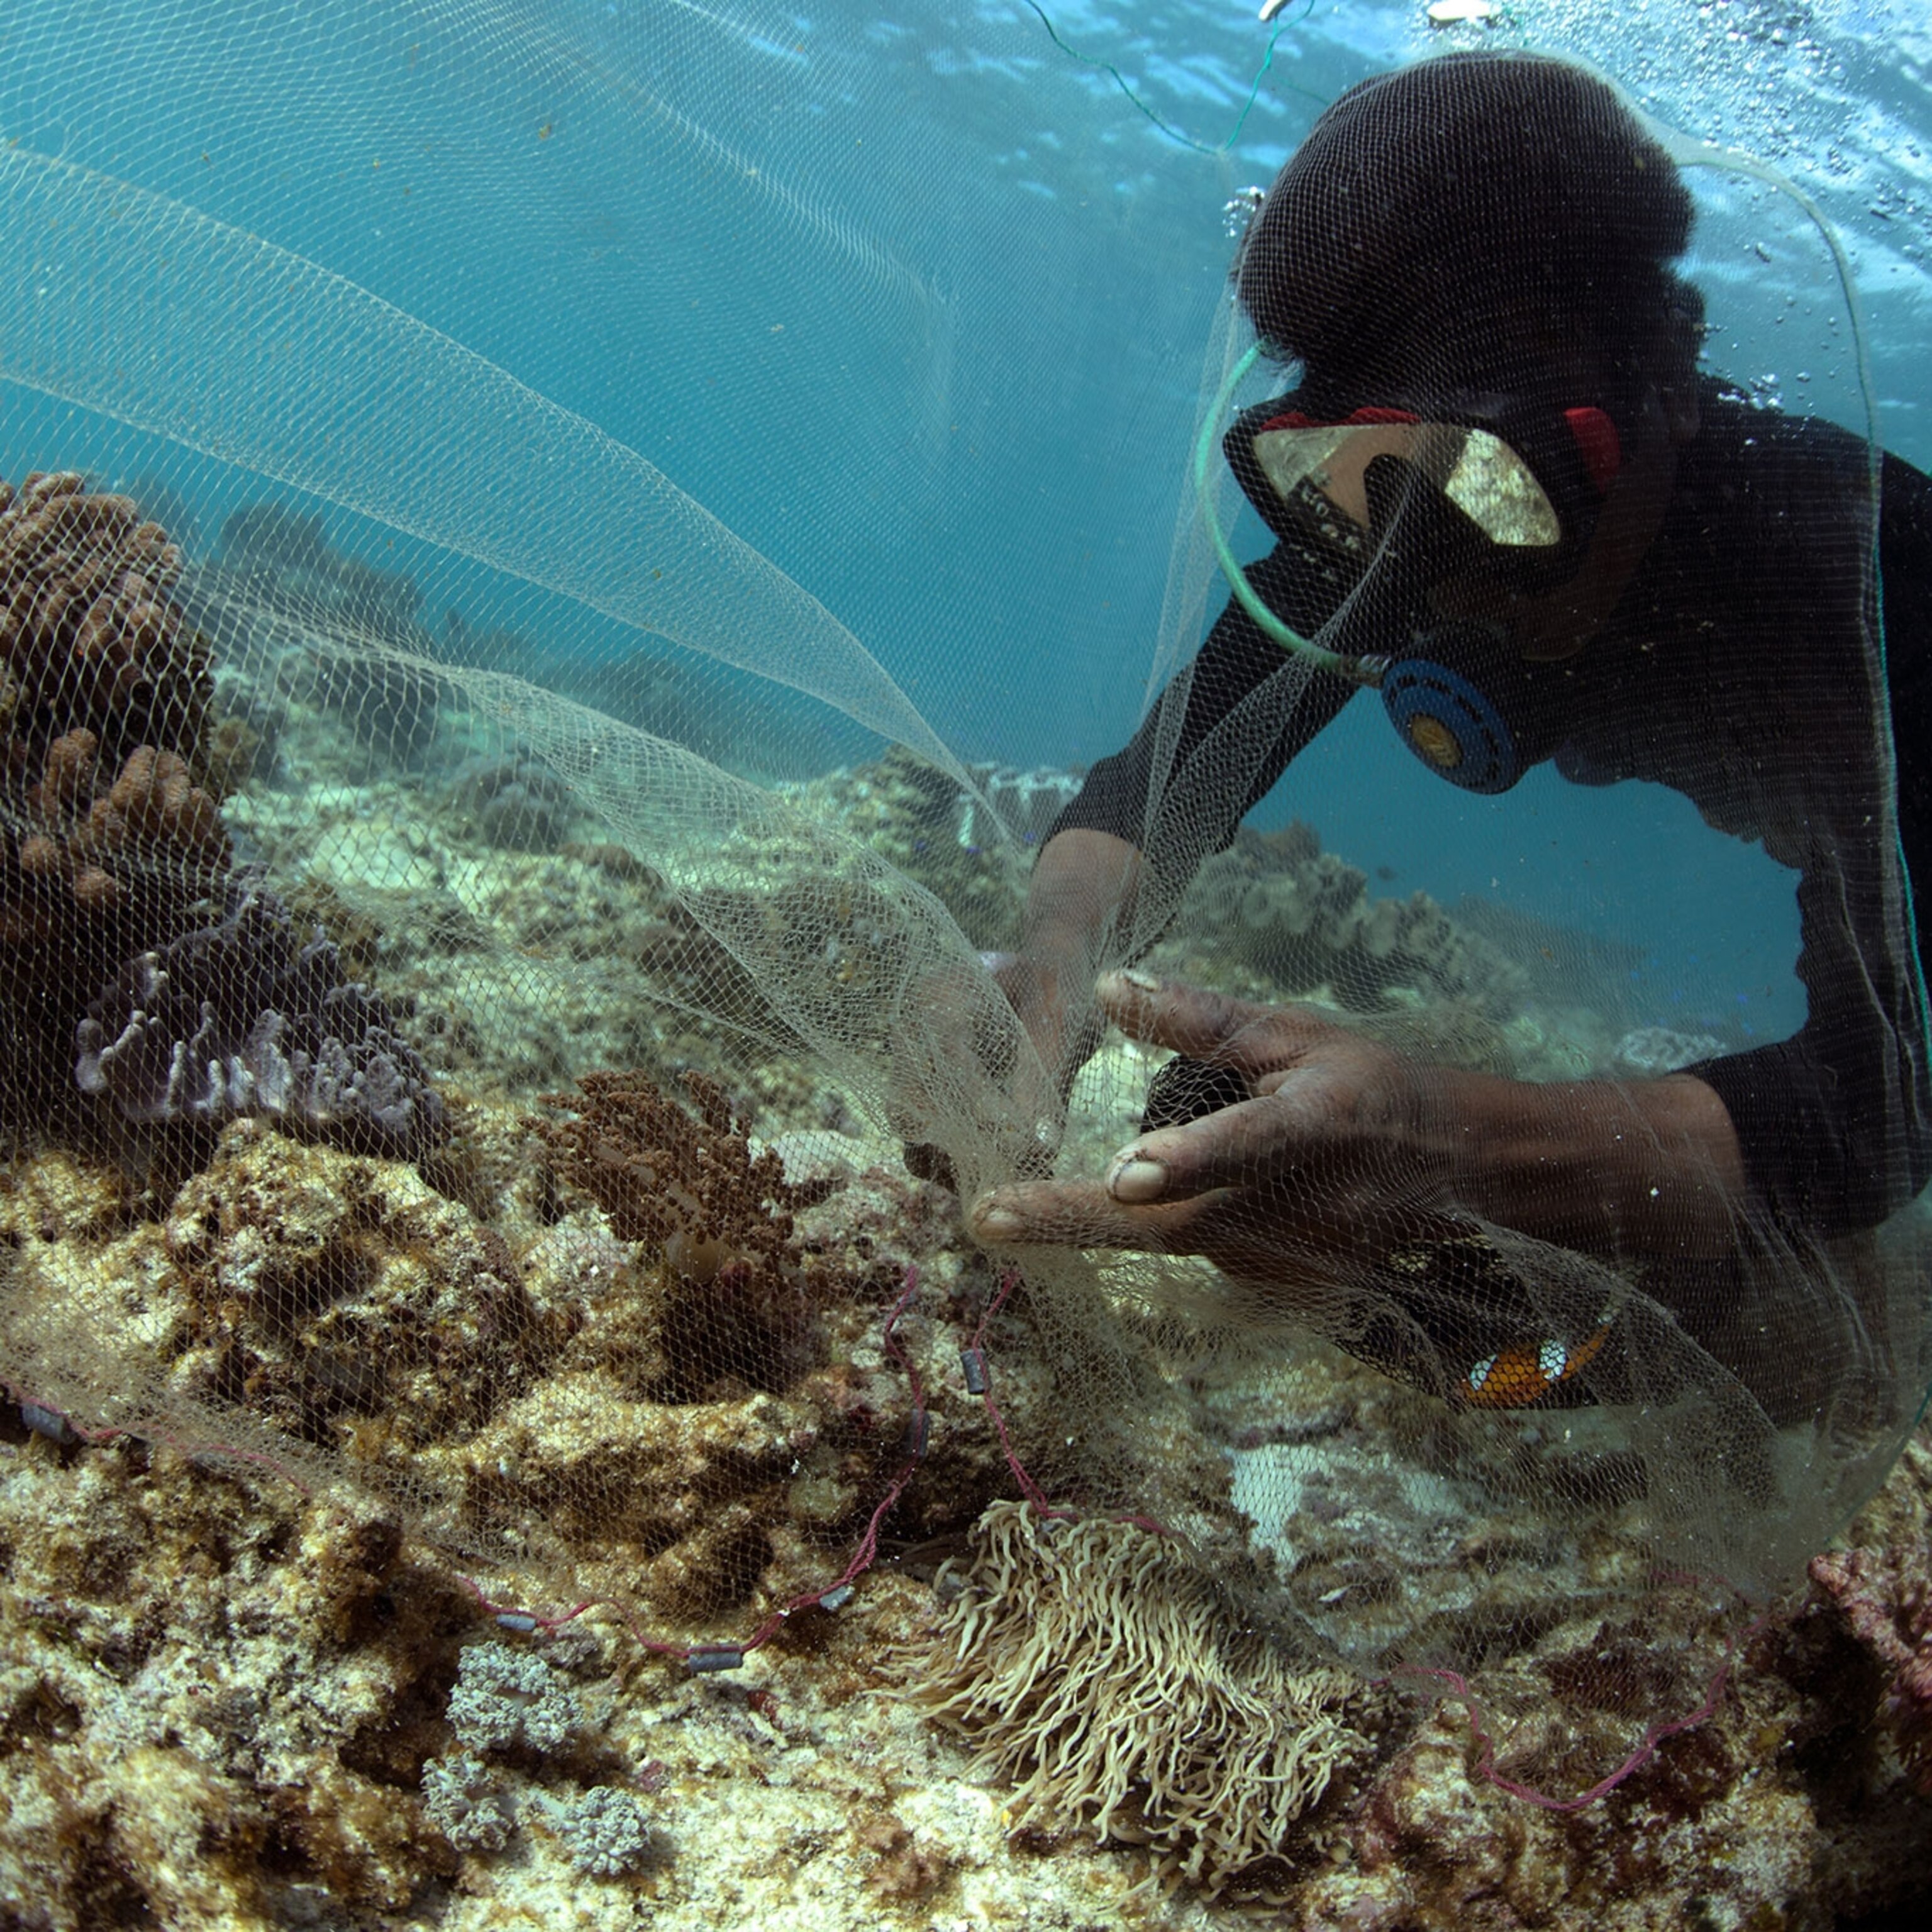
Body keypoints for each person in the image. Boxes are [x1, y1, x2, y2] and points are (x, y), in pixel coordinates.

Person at [967, 50, 1932, 1409]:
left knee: (1805, 1333)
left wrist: (1449, 1139)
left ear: (1670, 389)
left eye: (1494, 485)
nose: (1430, 572)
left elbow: (1891, 1092)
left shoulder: (1874, 584)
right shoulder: (1395, 521)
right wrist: (1057, 963)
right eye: (1361, 482)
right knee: (1282, 1194)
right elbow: (1158, 784)